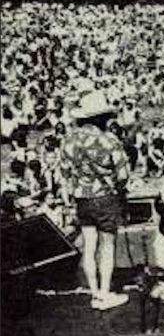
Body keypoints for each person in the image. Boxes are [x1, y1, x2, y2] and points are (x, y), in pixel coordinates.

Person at [58, 92, 130, 310]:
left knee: (89, 246)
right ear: (101, 117)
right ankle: (105, 295)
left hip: (82, 199)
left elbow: (64, 174)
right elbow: (123, 175)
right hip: (106, 198)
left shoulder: (68, 140)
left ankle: (95, 293)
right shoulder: (109, 140)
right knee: (107, 247)